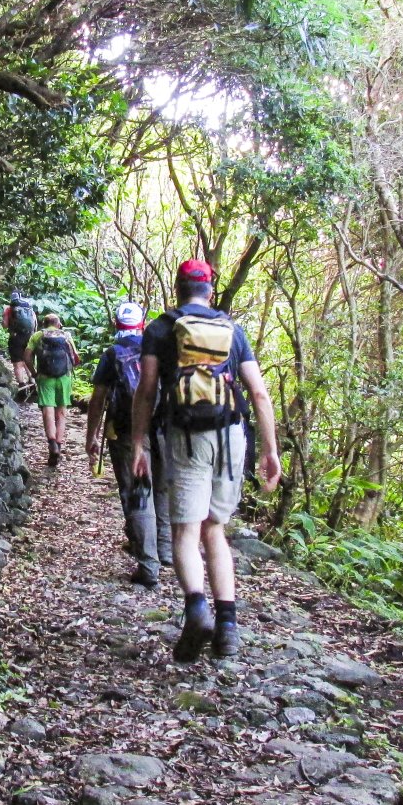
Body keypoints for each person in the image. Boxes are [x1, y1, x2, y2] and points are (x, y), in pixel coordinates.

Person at [131, 259, 281, 660]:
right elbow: (259, 394)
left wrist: (139, 444)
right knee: (215, 529)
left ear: (177, 289)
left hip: (185, 436)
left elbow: (146, 390)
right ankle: (228, 627)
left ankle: (197, 608)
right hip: (231, 436)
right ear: (210, 291)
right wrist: (269, 449)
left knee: (185, 530)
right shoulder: (232, 330)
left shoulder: (162, 328)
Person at [86, 301, 173, 587]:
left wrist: (92, 436)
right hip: (165, 427)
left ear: (115, 323)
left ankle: (148, 564)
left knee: (138, 491)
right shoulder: (159, 347)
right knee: (161, 486)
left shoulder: (113, 354)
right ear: (143, 321)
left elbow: (98, 398)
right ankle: (165, 549)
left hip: (126, 430)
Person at [25, 312, 79, 466]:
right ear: (58, 323)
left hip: (45, 377)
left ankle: (52, 443)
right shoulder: (66, 335)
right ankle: (59, 445)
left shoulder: (37, 336)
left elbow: (27, 356)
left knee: (47, 409)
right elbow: (75, 358)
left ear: (44, 323)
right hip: (64, 377)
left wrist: (34, 373)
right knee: (61, 412)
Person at [1, 291, 37, 392]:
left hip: (16, 337)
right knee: (27, 359)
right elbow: (35, 323)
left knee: (18, 363)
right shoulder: (29, 308)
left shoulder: (9, 309)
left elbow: (5, 325)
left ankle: (22, 386)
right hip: (29, 336)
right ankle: (32, 382)